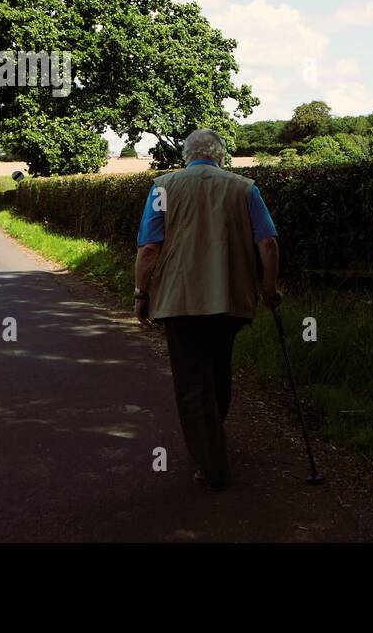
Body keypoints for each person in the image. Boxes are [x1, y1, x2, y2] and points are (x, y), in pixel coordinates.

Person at [132, 129, 281, 492]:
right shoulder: (245, 187)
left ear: (186, 155)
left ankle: (212, 464)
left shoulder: (164, 187)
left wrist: (140, 293)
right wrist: (269, 289)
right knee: (218, 373)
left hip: (180, 300)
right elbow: (268, 242)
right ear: (220, 155)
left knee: (191, 383)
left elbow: (149, 248)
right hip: (230, 299)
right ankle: (211, 439)